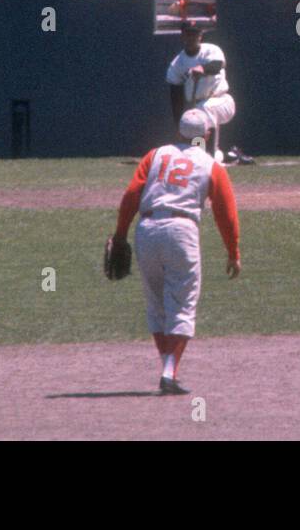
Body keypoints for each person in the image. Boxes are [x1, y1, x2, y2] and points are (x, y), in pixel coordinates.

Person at [107, 108, 241, 396]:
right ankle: (168, 373)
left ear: (178, 131)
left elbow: (132, 194)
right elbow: (225, 213)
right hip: (182, 230)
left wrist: (120, 233)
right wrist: (233, 251)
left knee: (156, 304)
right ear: (206, 135)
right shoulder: (209, 164)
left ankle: (169, 370)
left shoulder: (155, 155)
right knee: (182, 304)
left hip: (148, 227)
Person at [166, 23, 240, 164]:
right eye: (188, 34)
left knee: (203, 109)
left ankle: (209, 160)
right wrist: (179, 126)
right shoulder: (177, 64)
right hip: (199, 105)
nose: (192, 37)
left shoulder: (211, 50)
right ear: (182, 36)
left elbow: (218, 65)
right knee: (194, 121)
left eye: (195, 34)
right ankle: (229, 155)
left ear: (200, 36)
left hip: (222, 100)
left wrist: (203, 68)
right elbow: (175, 98)